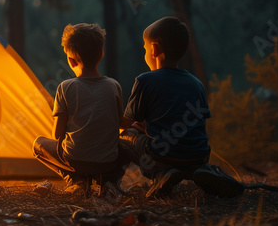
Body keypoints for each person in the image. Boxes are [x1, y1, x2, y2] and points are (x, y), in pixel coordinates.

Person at [120, 16, 243, 199]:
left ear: (153, 49)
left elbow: (125, 123)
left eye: (145, 48)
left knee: (123, 136)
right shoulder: (196, 83)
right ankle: (203, 171)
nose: (144, 52)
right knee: (183, 151)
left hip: (163, 155)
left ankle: (158, 174)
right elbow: (196, 124)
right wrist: (151, 129)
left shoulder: (145, 80)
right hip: (198, 154)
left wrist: (108, 110)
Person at [32, 23, 125, 196]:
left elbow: (57, 135)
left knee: (38, 144)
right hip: (108, 162)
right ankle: (108, 181)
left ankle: (75, 181)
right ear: (101, 54)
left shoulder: (65, 87)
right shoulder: (114, 86)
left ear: (71, 60)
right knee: (125, 145)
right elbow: (120, 123)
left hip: (76, 160)